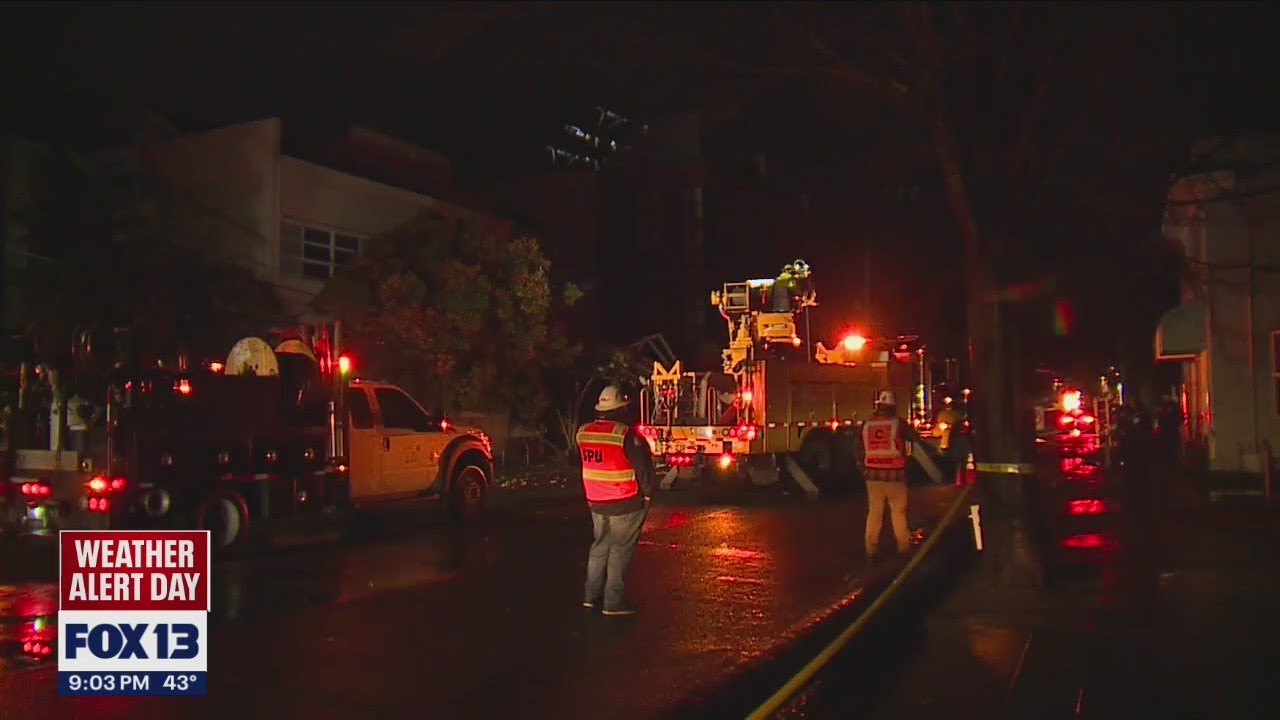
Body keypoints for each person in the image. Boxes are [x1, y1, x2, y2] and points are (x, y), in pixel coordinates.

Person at [576, 384, 656, 616]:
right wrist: (649, 493)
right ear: (621, 408)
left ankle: (590, 597)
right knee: (620, 551)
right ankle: (613, 602)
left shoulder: (583, 431)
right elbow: (643, 468)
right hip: (624, 501)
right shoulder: (624, 433)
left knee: (599, 546)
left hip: (595, 499)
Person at [855, 390, 924, 560]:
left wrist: (863, 470)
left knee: (874, 513)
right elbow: (914, 437)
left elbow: (858, 450)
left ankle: (871, 550)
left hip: (872, 476)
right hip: (895, 477)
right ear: (892, 407)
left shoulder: (866, 424)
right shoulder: (897, 423)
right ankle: (903, 548)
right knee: (898, 513)